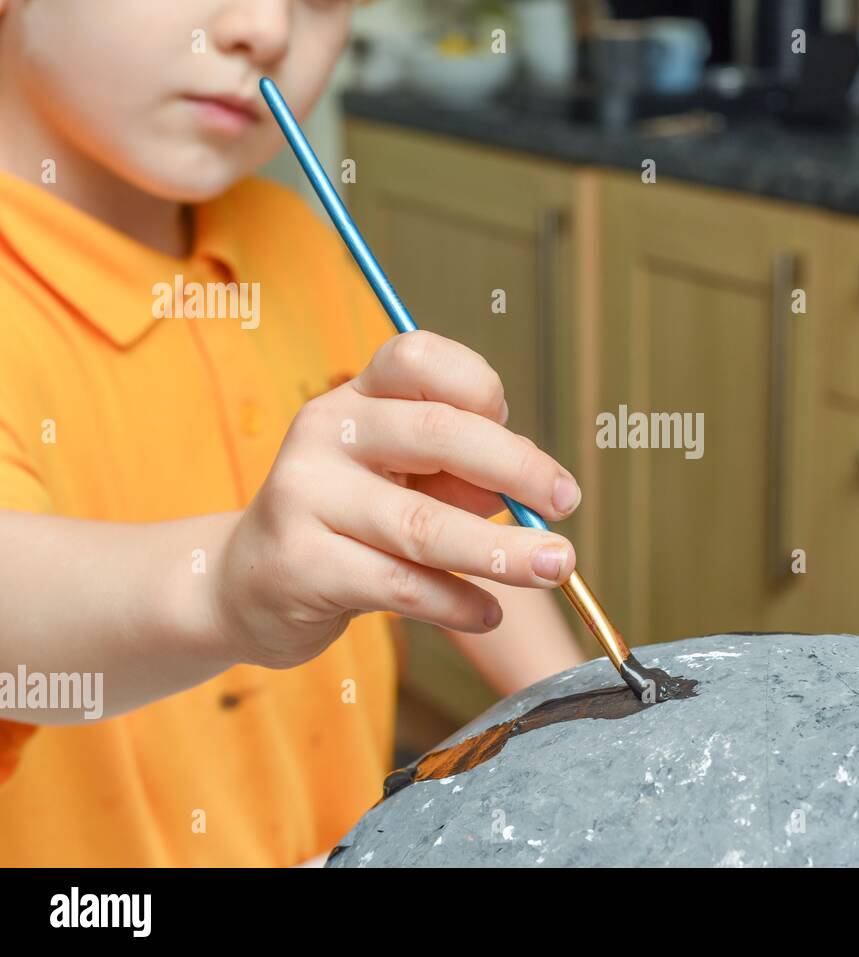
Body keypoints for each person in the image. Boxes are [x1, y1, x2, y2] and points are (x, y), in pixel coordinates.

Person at [0, 0, 586, 866]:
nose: (267, 28)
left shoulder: (297, 250)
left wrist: (574, 696)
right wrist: (222, 591)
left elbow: (427, 508)